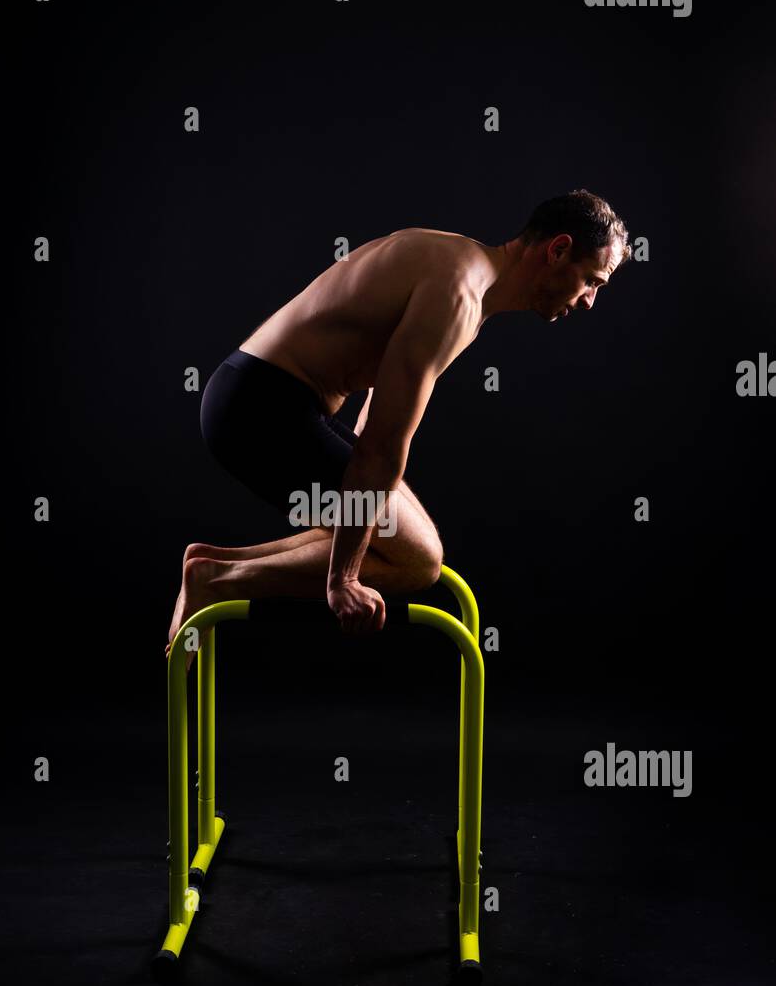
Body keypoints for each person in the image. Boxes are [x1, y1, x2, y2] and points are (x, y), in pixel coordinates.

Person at [167, 188, 630, 655]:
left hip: (258, 397)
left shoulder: (462, 268)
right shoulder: (458, 294)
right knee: (419, 560)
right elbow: (382, 449)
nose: (590, 300)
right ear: (558, 250)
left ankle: (213, 569)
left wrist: (370, 519)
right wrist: (342, 579)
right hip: (260, 411)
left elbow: (373, 422)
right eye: (592, 280)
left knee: (379, 524)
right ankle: (221, 581)